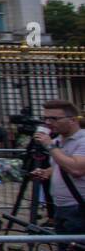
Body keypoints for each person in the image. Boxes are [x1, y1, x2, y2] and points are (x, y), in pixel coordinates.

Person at [32, 100, 85, 238]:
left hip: (79, 206)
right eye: (45, 118)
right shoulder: (57, 141)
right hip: (60, 206)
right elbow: (60, 165)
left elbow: (76, 170)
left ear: (72, 120)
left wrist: (49, 146)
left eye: (54, 119)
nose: (48, 123)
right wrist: (47, 172)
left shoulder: (82, 141)